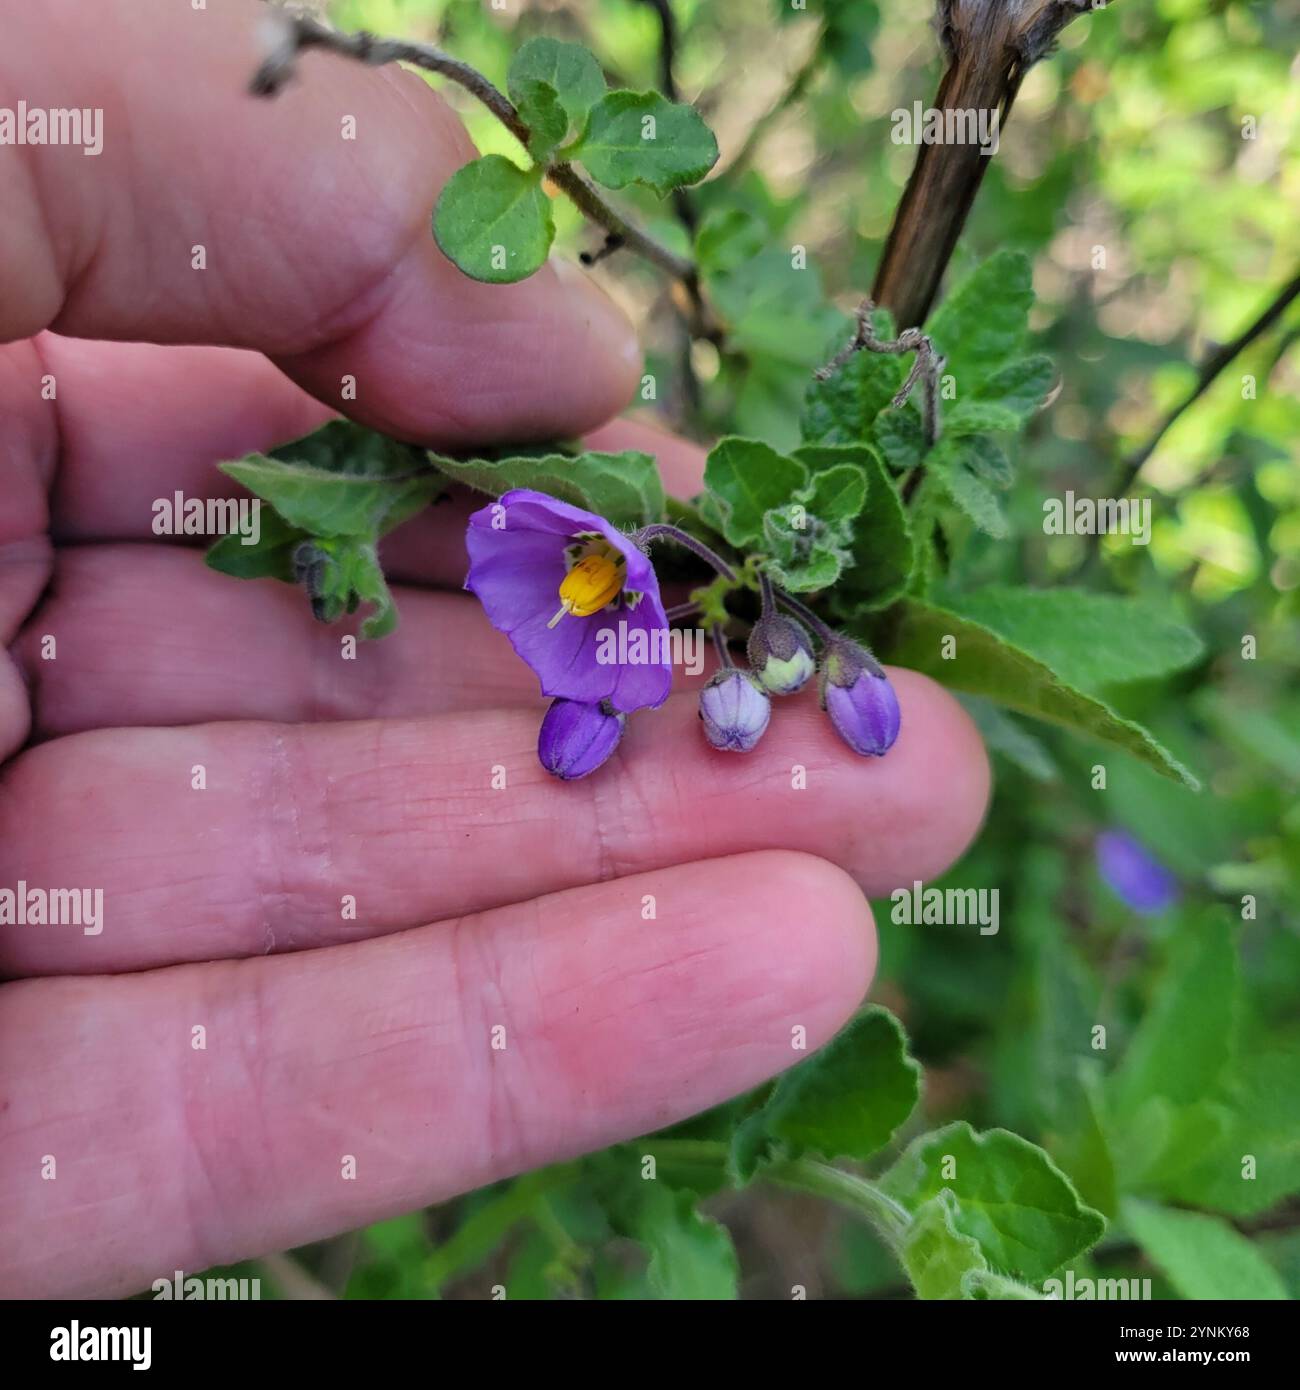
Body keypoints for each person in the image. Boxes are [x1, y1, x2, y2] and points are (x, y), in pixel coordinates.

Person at [0, 0, 989, 1298]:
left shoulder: (618, 602)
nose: (588, 579)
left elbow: (592, 588)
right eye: (593, 570)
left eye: (601, 573)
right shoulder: (583, 569)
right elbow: (553, 556)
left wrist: (650, 603)